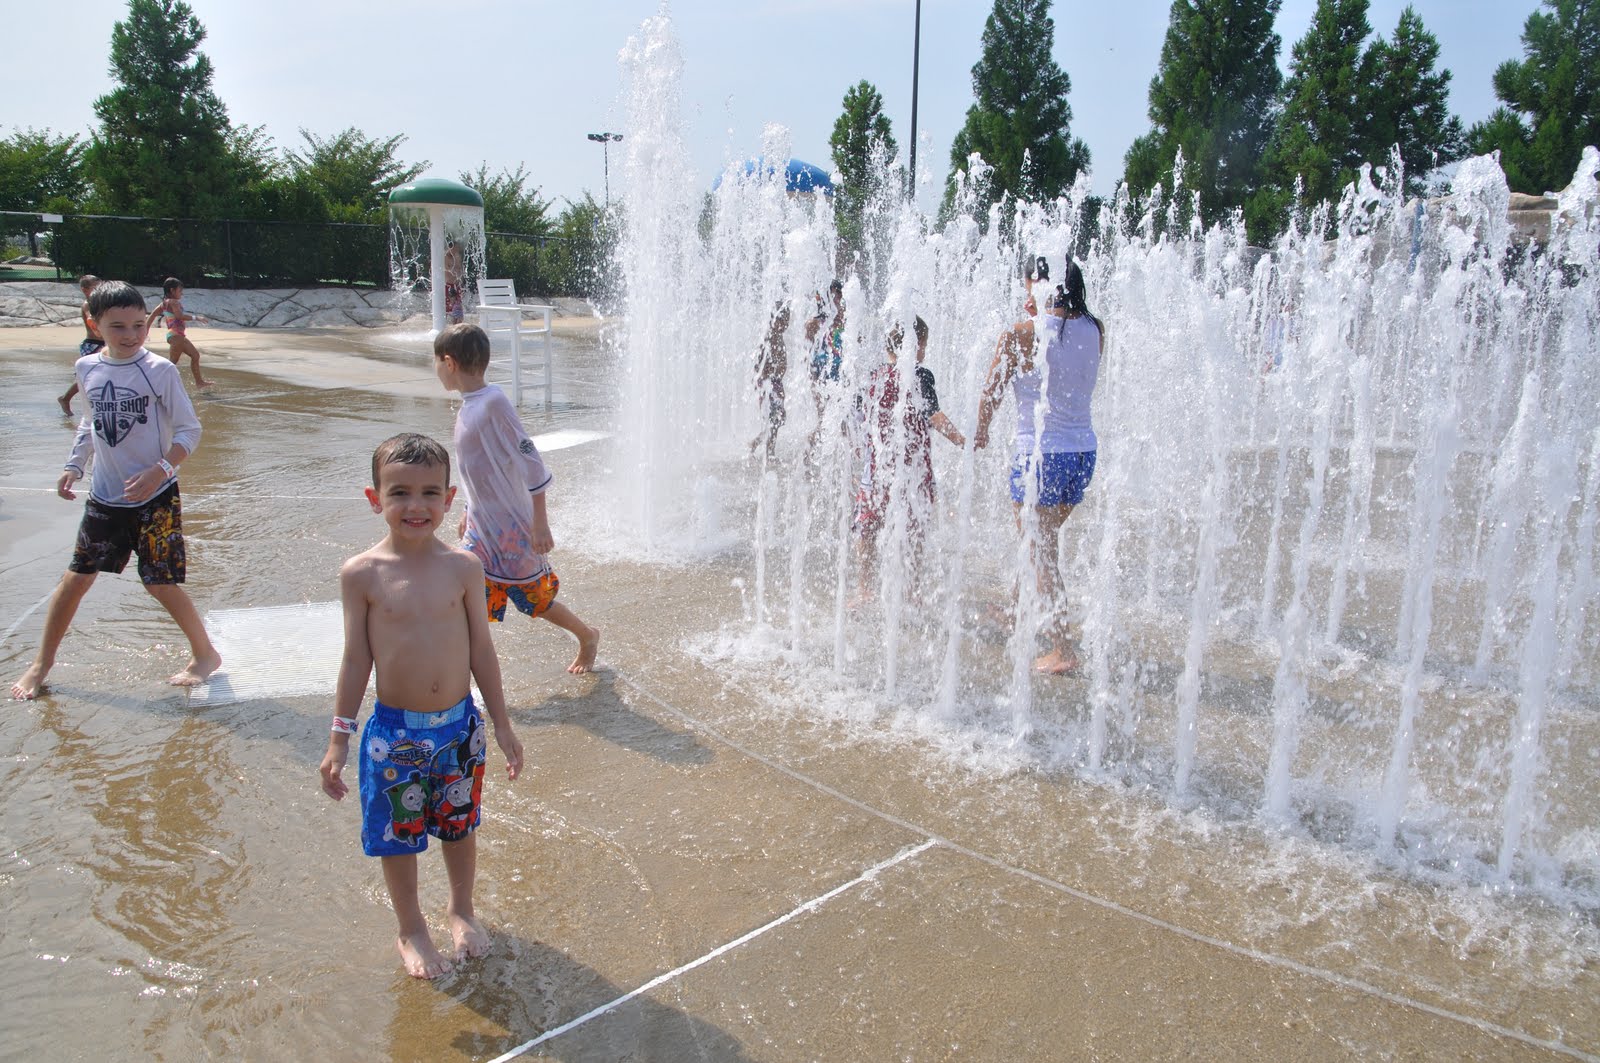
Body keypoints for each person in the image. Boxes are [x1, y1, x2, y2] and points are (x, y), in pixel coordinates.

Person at [318, 433, 525, 979]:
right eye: (400, 493)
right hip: (394, 733)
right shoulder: (362, 573)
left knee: (459, 825)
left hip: (459, 728)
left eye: (430, 493)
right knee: (398, 835)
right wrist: (340, 736)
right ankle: (410, 928)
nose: (416, 506)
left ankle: (461, 910)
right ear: (374, 497)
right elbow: (355, 658)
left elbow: (482, 647)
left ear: (450, 498)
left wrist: (502, 723)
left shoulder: (464, 568)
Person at [11, 280, 222, 700]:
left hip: (155, 497)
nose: (130, 335)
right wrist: (74, 465)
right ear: (94, 324)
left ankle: (205, 655)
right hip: (105, 497)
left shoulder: (159, 371)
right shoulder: (87, 367)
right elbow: (90, 423)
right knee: (74, 580)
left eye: (138, 325)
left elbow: (189, 430)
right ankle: (41, 664)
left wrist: (160, 470)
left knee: (159, 583)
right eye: (118, 327)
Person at [433, 324, 601, 674]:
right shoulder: (469, 405)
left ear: (449, 363)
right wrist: (468, 508)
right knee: (468, 594)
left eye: (435, 362)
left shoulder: (492, 403)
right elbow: (476, 468)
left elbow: (529, 457)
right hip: (482, 526)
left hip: (512, 526)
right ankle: (466, 675)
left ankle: (586, 636)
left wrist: (540, 521)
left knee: (534, 600)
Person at [974, 260, 1103, 675]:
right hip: (1082, 454)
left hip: (1040, 458)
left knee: (1040, 548)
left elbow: (991, 392)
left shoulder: (1021, 334)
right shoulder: (1096, 330)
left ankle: (1063, 648)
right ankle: (1016, 607)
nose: (1025, 292)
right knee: (1041, 538)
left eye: (1028, 284)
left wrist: (980, 432)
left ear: (1043, 284)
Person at [853, 316, 965, 603]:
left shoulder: (874, 377)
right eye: (923, 344)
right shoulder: (920, 376)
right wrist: (961, 440)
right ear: (914, 346)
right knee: (914, 529)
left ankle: (864, 587)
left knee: (868, 525)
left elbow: (857, 417)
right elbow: (934, 416)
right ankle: (911, 589)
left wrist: (856, 450)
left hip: (877, 469)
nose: (924, 351)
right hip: (913, 470)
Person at [147, 276, 211, 389]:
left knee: (195, 356)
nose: (181, 293)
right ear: (172, 290)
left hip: (176, 336)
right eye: (180, 291)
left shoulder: (163, 303)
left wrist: (145, 330)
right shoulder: (174, 302)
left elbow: (152, 315)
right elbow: (179, 316)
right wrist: (197, 318)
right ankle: (153, 383)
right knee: (171, 364)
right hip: (176, 336)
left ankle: (199, 382)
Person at [750, 300, 790, 459]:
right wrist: (763, 380)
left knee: (777, 419)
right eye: (785, 319)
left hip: (776, 383)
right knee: (776, 417)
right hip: (769, 384)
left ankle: (757, 444)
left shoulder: (778, 335)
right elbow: (758, 364)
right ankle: (768, 452)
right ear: (777, 318)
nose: (787, 324)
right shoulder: (769, 337)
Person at [58, 274, 103, 415]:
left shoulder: (100, 303)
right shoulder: (88, 304)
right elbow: (91, 317)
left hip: (103, 342)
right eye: (96, 288)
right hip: (92, 343)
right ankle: (65, 398)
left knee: (102, 373)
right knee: (87, 376)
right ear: (84, 289)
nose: (99, 290)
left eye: (101, 287)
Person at [444, 240, 465, 324]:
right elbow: (447, 270)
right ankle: (443, 325)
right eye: (455, 249)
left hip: (456, 285)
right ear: (450, 247)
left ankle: (456, 325)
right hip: (447, 285)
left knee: (458, 308)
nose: (457, 251)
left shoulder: (457, 256)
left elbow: (460, 269)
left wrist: (461, 281)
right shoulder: (444, 256)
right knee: (447, 307)